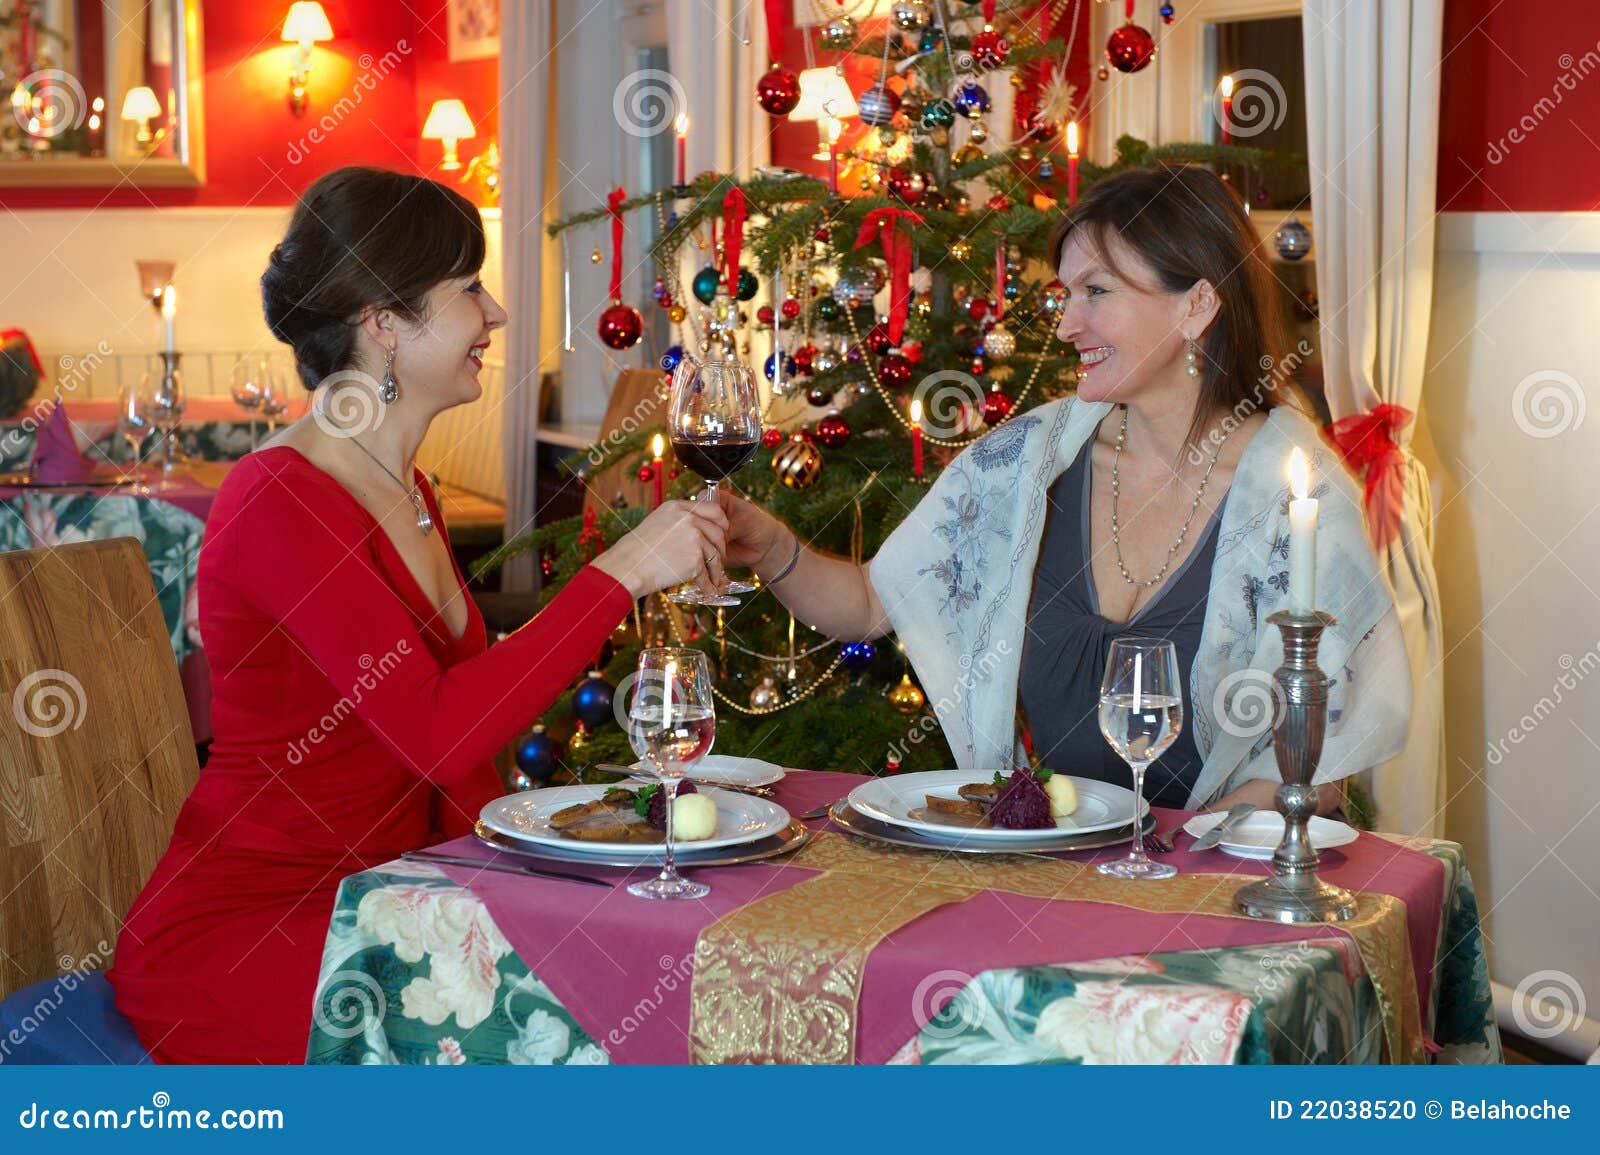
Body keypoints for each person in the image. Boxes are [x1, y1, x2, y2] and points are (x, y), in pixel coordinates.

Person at [109, 167, 728, 1063]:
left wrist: (540, 872)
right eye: (470, 288)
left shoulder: (410, 490)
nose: (497, 315)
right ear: (383, 323)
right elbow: (437, 730)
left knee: (626, 980)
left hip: (389, 903)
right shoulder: (278, 500)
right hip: (257, 932)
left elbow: (450, 768)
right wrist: (622, 571)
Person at [721, 165, 1410, 815]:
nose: (1065, 324)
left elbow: (1318, 771)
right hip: (1046, 878)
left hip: (1213, 897)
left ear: (1198, 304)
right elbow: (874, 602)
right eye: (1066, 293)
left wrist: (1172, 870)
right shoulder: (1029, 463)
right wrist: (771, 546)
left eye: (1098, 292)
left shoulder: (1297, 496)